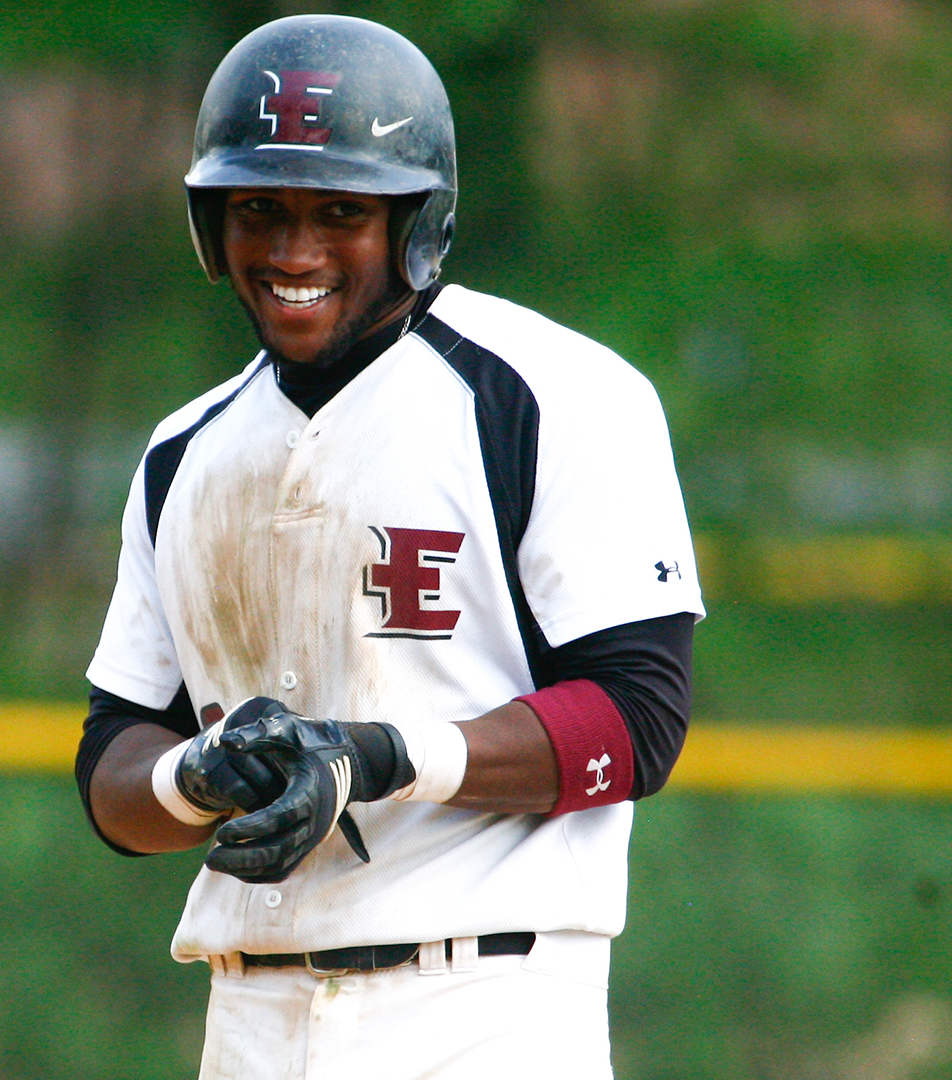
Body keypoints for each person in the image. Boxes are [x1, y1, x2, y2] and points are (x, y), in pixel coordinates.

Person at [75, 16, 702, 1078]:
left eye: (341, 212)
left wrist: (379, 756)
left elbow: (637, 721)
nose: (293, 248)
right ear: (210, 223)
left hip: (487, 1005)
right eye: (258, 207)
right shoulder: (186, 450)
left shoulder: (550, 394)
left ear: (418, 221)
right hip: (249, 1013)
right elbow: (113, 767)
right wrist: (201, 774)